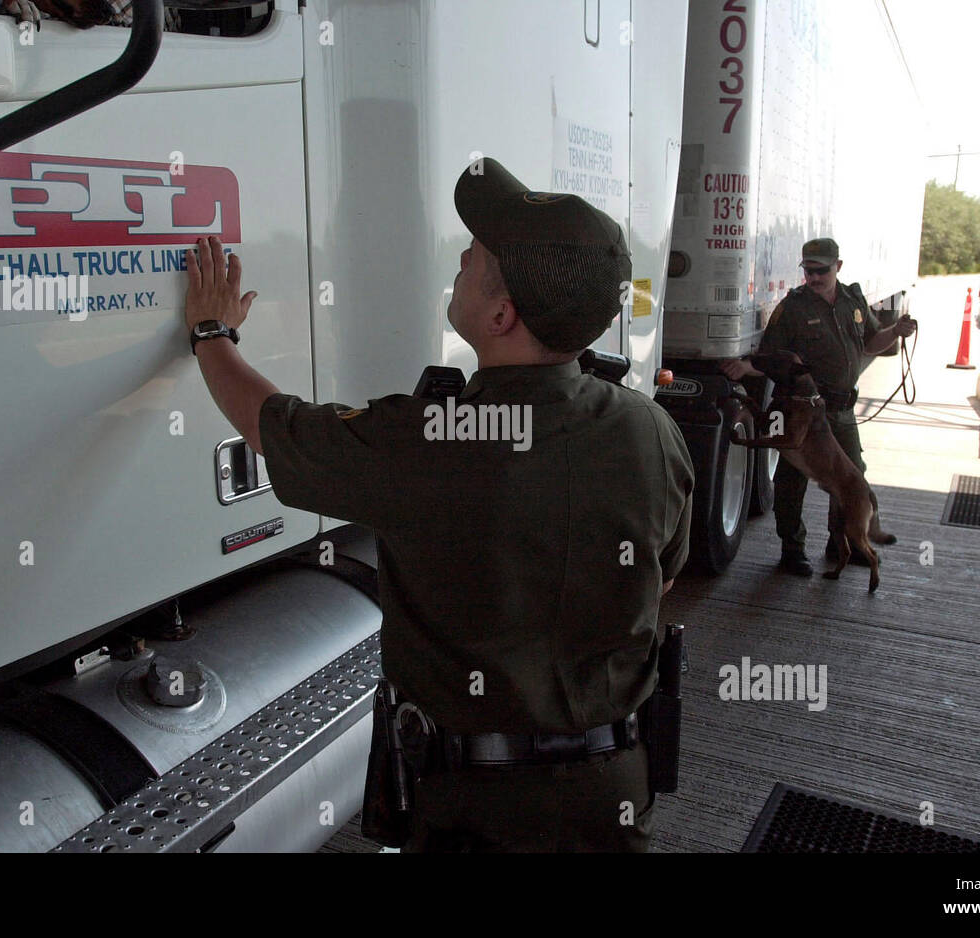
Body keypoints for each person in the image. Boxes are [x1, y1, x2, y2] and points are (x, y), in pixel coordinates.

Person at [183, 157, 695, 852]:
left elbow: (270, 424)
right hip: (613, 796)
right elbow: (660, 580)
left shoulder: (431, 441)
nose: (460, 255)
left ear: (502, 314)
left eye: (475, 256)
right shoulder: (652, 432)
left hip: (477, 816)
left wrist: (210, 335)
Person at [721, 238, 916, 577]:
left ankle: (841, 543)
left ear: (837, 266)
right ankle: (792, 550)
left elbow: (871, 341)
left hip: (841, 410)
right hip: (802, 409)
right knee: (791, 480)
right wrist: (746, 368)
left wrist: (896, 332)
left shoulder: (852, 301)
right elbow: (772, 358)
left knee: (851, 477)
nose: (812, 278)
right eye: (808, 271)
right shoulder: (793, 308)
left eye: (820, 271)